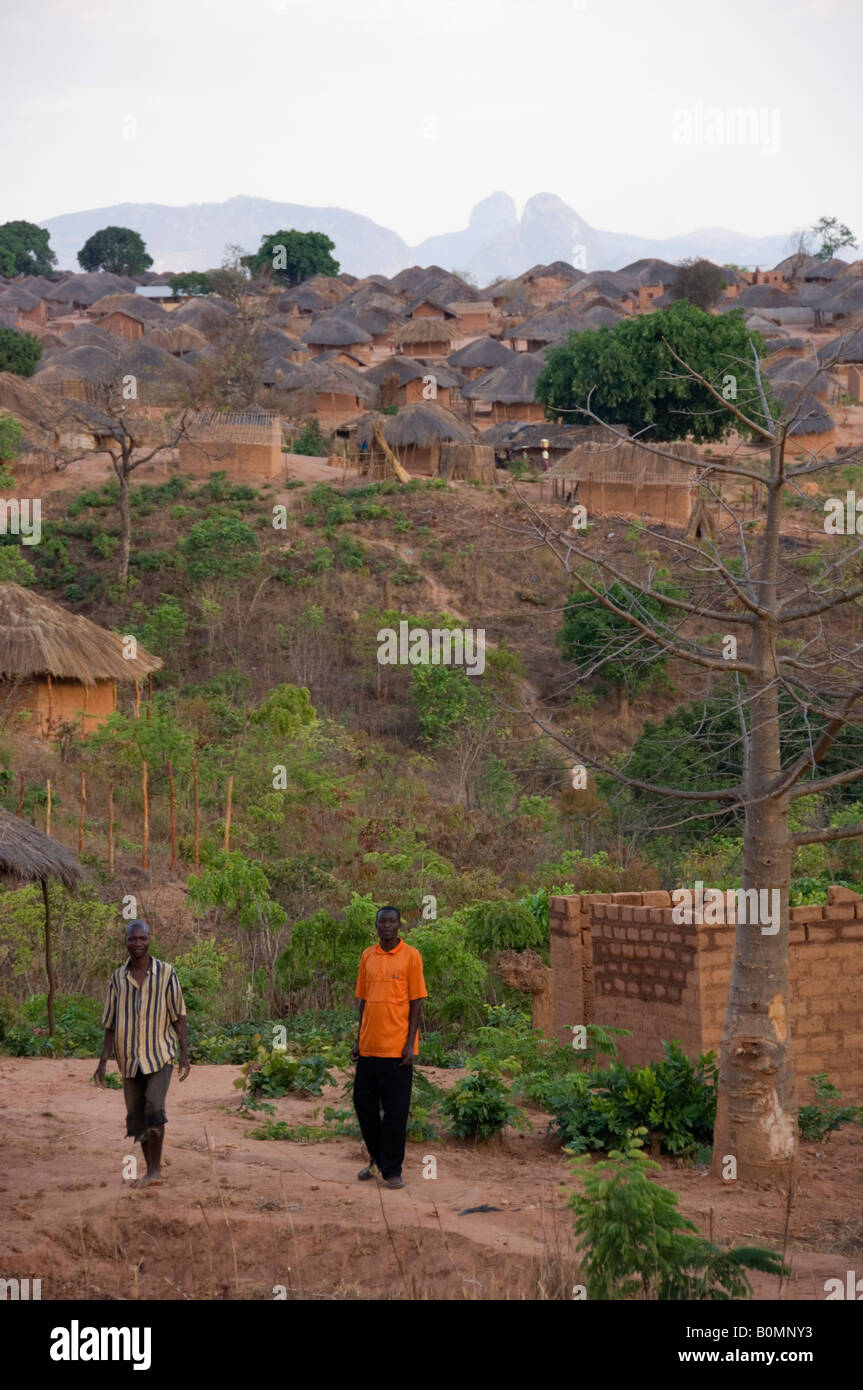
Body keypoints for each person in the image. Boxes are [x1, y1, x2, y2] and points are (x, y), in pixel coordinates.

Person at [92, 919, 190, 1187]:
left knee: (154, 1109)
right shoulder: (117, 978)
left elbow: (179, 1016)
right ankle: (150, 1170)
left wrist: (184, 1053)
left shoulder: (167, 973)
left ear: (150, 939)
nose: (137, 944)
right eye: (131, 939)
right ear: (125, 941)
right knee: (137, 1118)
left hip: (160, 1054)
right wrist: (102, 1062)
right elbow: (110, 1022)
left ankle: (156, 1171)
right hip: (128, 1059)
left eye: (141, 939)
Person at [350, 905, 427, 1189]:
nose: (386, 926)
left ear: (399, 926)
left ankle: (392, 1171)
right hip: (369, 1049)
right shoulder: (367, 956)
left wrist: (410, 1044)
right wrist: (359, 1039)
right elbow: (363, 1000)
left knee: (395, 1112)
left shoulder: (411, 957)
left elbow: (416, 1001)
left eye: (391, 921)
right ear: (376, 925)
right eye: (382, 921)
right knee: (363, 1105)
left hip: (397, 1051)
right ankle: (376, 1159)